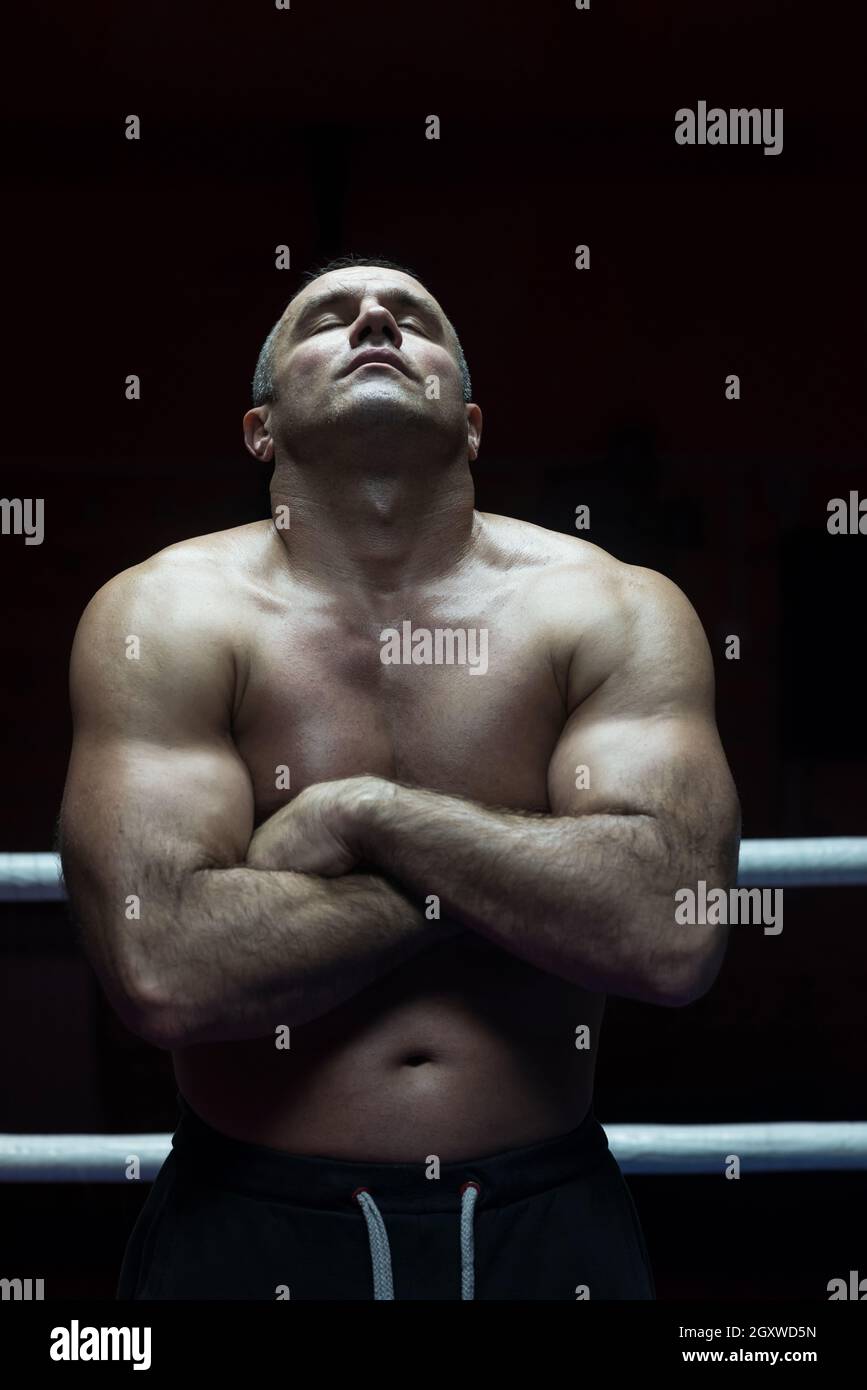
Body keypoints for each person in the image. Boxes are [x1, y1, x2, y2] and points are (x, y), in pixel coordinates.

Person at [59, 254, 740, 1300]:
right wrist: (518, 876)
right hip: (251, 1221)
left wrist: (360, 814)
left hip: (542, 1216)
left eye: (415, 319)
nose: (375, 317)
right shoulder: (162, 617)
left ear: (471, 425)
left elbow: (670, 927)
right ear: (261, 428)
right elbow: (167, 965)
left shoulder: (611, 607)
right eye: (325, 319)